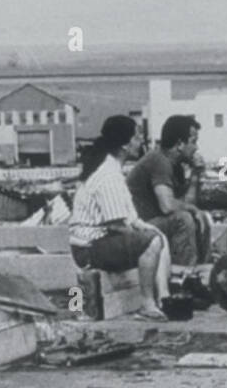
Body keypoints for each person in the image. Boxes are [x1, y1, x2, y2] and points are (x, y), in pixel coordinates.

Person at [68, 115, 170, 320]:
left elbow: (129, 218)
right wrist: (146, 238)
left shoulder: (112, 169)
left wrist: (149, 231)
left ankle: (163, 298)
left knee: (157, 236)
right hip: (88, 249)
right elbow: (116, 225)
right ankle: (148, 305)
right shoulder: (108, 175)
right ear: (124, 144)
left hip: (96, 242)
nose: (140, 141)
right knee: (151, 241)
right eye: (136, 136)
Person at [126, 114, 213, 266]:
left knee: (201, 217)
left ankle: (201, 270)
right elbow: (167, 206)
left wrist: (195, 175)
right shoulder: (159, 161)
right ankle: (183, 275)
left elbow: (185, 203)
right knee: (183, 219)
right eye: (193, 142)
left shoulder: (175, 165)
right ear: (180, 144)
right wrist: (192, 209)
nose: (196, 148)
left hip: (152, 223)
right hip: (137, 227)